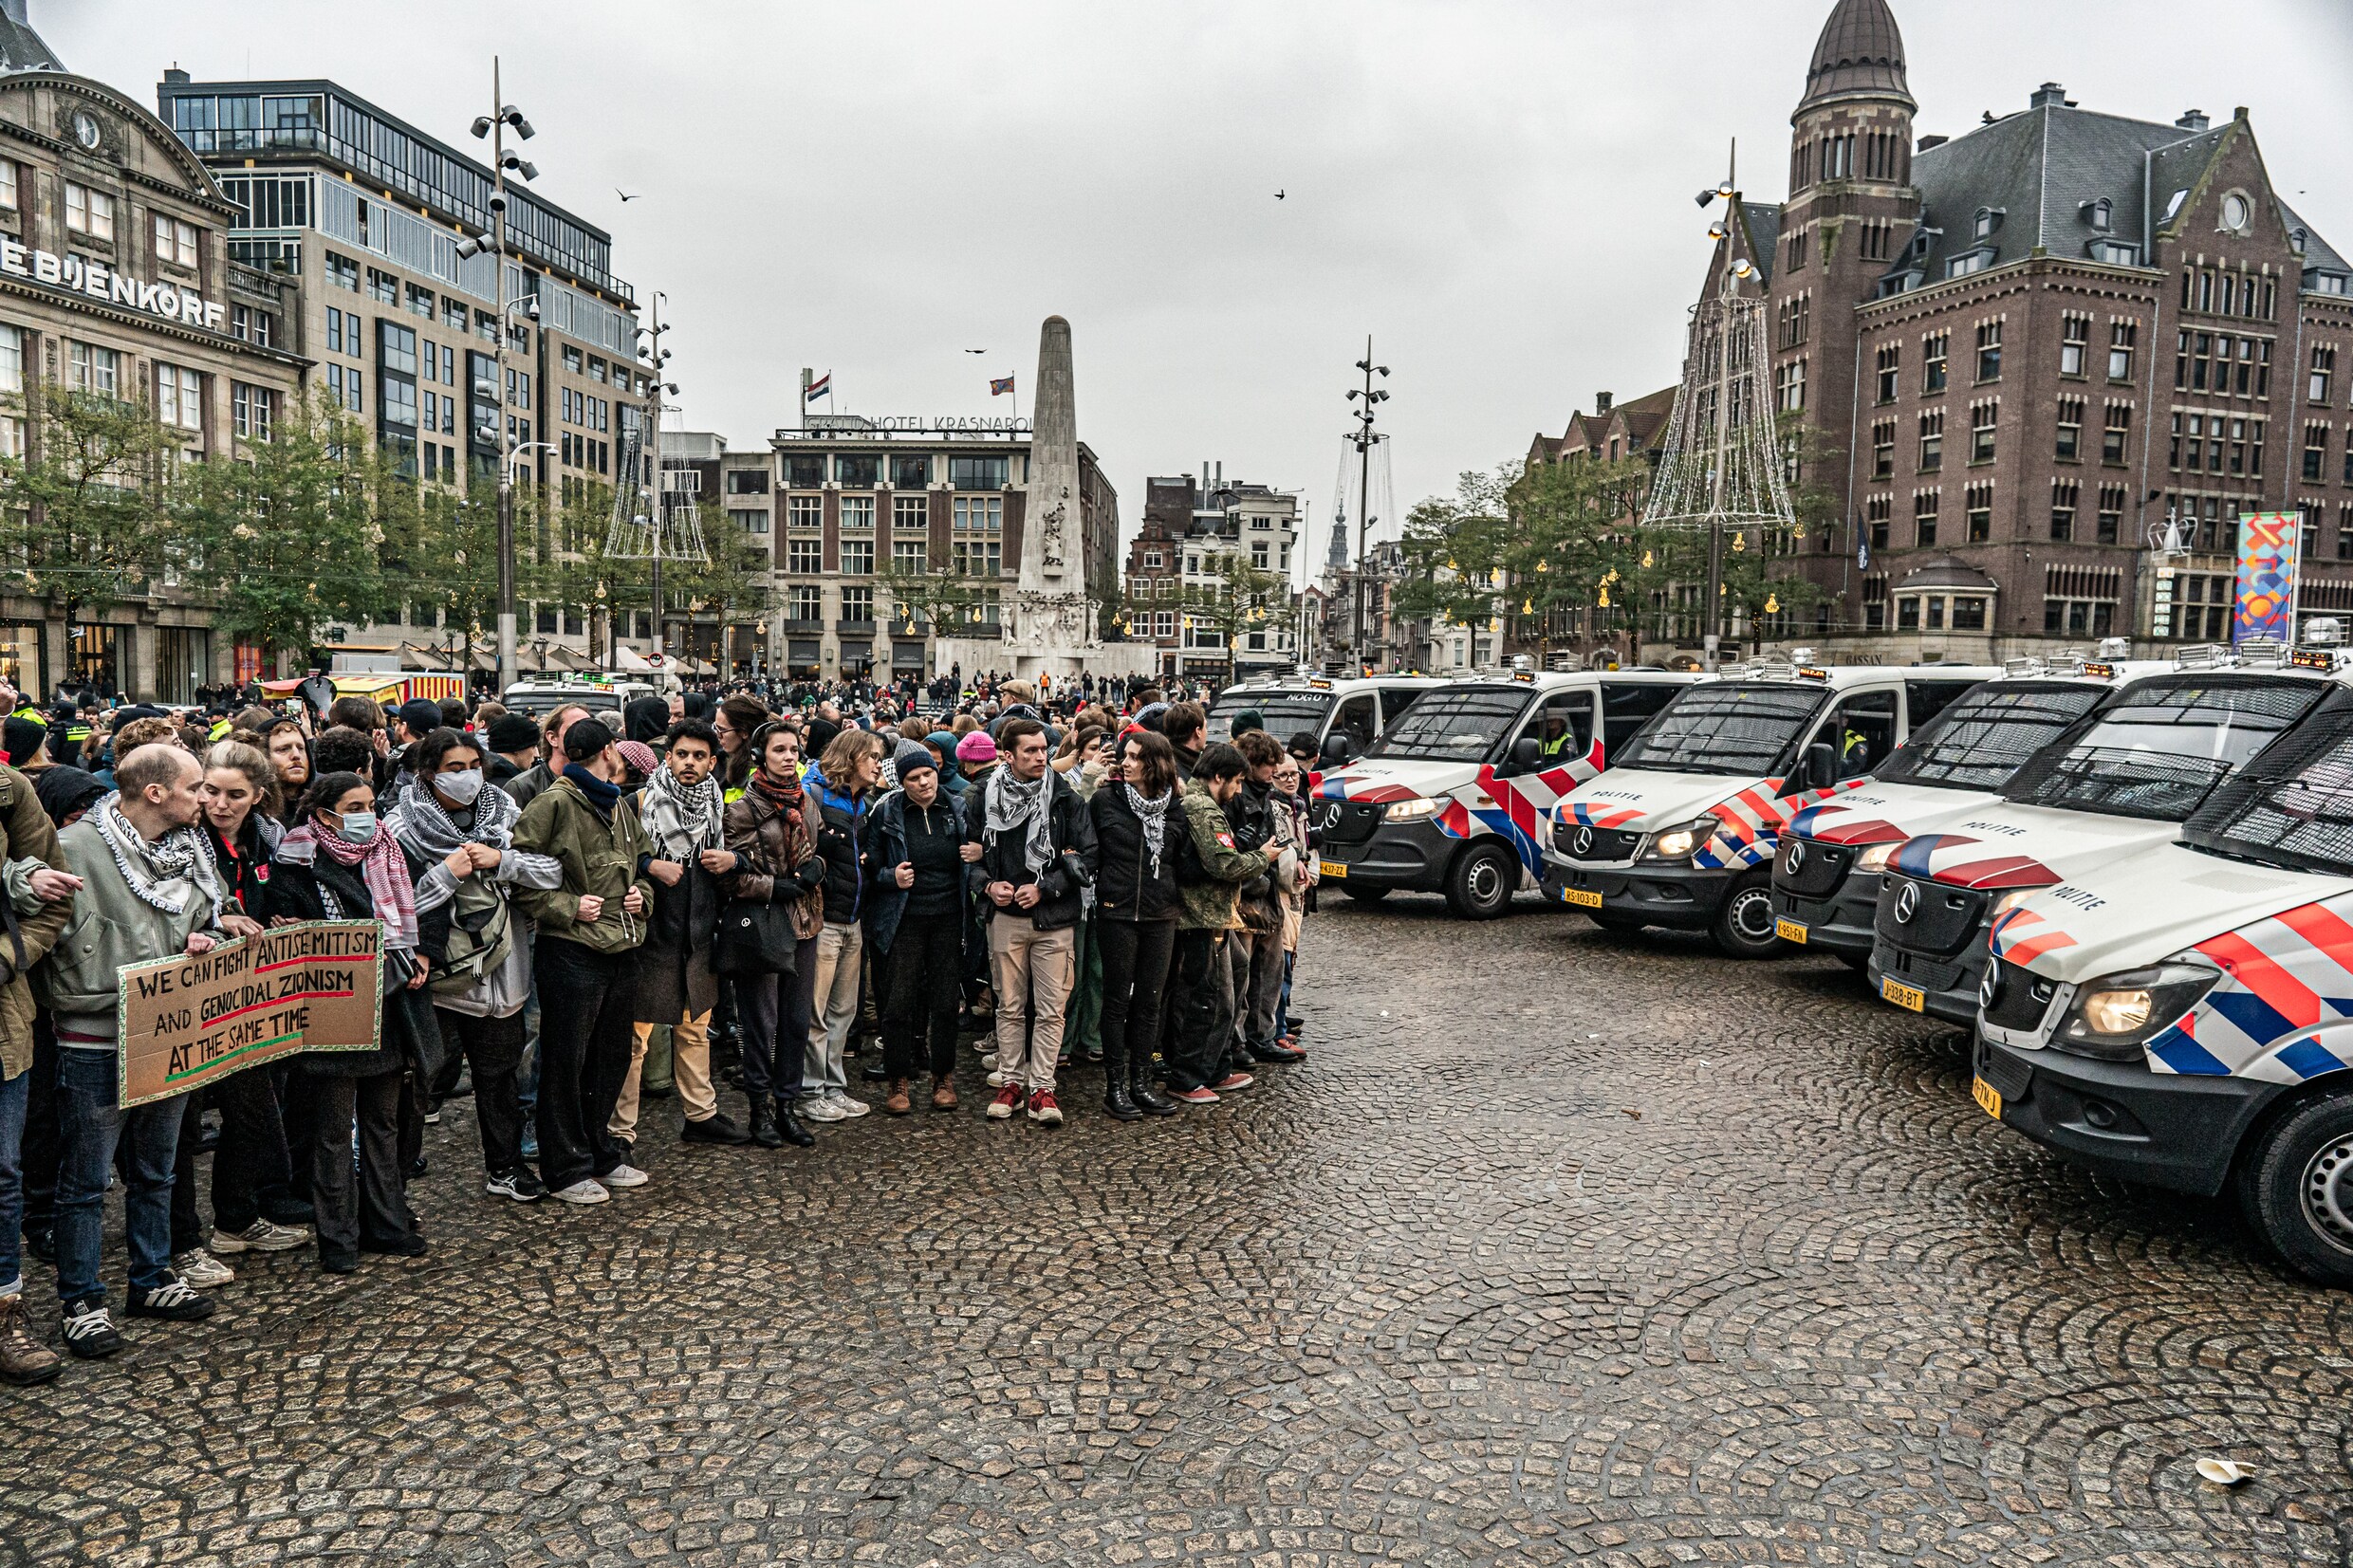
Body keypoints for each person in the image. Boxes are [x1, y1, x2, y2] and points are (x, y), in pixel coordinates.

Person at [46, 744, 226, 1356]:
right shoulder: (75, 852)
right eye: (195, 786)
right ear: (156, 793)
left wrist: (203, 938)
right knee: (87, 1179)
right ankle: (81, 1301)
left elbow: (201, 916)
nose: (205, 798)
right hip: (94, 1036)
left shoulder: (189, 853)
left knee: (157, 1169)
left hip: (167, 1031)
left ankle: (150, 1279)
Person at [269, 771, 435, 1272]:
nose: (369, 815)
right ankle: (338, 1237)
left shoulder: (388, 851)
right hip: (333, 1017)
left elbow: (413, 918)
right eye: (355, 806)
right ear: (324, 814)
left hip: (390, 1010)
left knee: (384, 1124)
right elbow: (286, 933)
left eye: (370, 804)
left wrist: (417, 951)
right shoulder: (296, 864)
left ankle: (388, 1224)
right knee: (334, 1132)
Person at [387, 728, 560, 1203]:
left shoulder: (505, 812)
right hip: (437, 978)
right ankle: (394, 1180)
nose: (467, 777)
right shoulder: (401, 826)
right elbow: (395, 903)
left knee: (500, 1076)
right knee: (418, 1080)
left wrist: (503, 860)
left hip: (502, 974)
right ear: (428, 772)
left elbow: (550, 870)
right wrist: (448, 873)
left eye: (473, 766)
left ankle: (504, 1167)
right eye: (454, 769)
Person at [509, 717, 654, 1204]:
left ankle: (601, 1153)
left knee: (611, 1056)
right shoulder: (551, 803)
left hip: (623, 946)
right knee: (566, 1060)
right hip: (572, 951)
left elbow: (643, 864)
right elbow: (520, 877)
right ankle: (566, 1167)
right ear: (610, 749)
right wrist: (568, 907)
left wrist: (641, 894)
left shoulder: (618, 804)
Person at [181, 742, 308, 1280]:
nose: (221, 804)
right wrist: (216, 924)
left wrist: (280, 919)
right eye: (211, 791)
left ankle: (236, 1220)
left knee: (254, 1112)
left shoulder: (268, 839)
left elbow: (276, 896)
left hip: (250, 1001)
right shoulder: (183, 839)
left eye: (236, 795)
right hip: (189, 1001)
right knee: (182, 1129)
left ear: (259, 796)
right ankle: (180, 1243)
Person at [965, 716, 1098, 1127]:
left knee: (1052, 1007)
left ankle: (1042, 1087)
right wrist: (988, 886)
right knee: (1009, 1005)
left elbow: (1089, 856)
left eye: (1044, 749)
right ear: (1008, 755)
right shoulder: (982, 798)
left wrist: (1047, 887)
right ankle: (1011, 1082)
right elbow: (968, 858)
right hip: (1004, 916)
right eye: (1031, 751)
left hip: (1053, 917)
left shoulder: (1064, 797)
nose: (1041, 756)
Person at [620, 718, 746, 1152]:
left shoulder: (717, 806)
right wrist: (648, 865)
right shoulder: (636, 803)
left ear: (713, 762)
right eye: (681, 754)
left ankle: (701, 1115)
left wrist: (732, 861)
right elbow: (612, 860)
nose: (688, 763)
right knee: (634, 1039)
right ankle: (620, 1131)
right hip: (649, 937)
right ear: (667, 756)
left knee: (695, 1029)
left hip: (698, 935)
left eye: (698, 756)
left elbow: (737, 861)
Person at [0, 746, 68, 1383]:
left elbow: (55, 898)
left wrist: (8, 956)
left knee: (2, 1173)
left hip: (2, 1026)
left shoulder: (10, 790)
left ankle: (6, 1312)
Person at [723, 720, 824, 1149]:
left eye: (793, 750)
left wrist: (816, 869)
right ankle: (759, 1111)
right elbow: (733, 873)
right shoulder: (742, 807)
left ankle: (787, 1106)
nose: (788, 757)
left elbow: (814, 851)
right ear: (760, 754)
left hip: (804, 921)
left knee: (796, 1022)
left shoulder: (806, 800)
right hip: (763, 925)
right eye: (779, 749)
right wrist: (773, 886)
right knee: (761, 1024)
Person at [1162, 743, 1272, 1107]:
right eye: (1237, 782)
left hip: (1215, 915)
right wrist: (1263, 856)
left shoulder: (1201, 804)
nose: (1239, 790)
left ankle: (1216, 1067)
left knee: (1234, 977)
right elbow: (1224, 865)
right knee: (1209, 998)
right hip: (1202, 917)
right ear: (1219, 776)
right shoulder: (1203, 809)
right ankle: (1188, 1076)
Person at [862, 741, 963, 1116]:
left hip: (948, 916)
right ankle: (898, 1079)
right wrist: (890, 876)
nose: (923, 783)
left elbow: (978, 850)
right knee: (898, 1001)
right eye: (913, 778)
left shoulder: (956, 806)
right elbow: (869, 861)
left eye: (927, 775)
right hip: (904, 918)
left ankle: (943, 1077)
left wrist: (977, 855)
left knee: (945, 1001)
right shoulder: (888, 811)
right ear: (901, 781)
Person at [1089, 730, 1183, 1122]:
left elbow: (1185, 861)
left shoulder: (1175, 807)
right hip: (1117, 911)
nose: (1124, 762)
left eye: (1133, 757)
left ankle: (1141, 1083)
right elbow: (1091, 851)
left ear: (1155, 764)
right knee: (1116, 1001)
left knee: (1149, 1001)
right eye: (1124, 755)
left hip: (1161, 914)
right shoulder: (1105, 800)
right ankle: (1115, 1087)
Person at [798, 728, 881, 1121]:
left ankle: (834, 1085)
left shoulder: (861, 802)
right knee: (816, 1010)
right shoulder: (814, 795)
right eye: (873, 757)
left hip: (853, 917)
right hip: (825, 918)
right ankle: (810, 1090)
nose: (878, 765)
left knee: (843, 1010)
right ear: (851, 760)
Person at [1232, 730, 1304, 1067]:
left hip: (1268, 894)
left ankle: (1262, 1035)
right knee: (1242, 976)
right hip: (1247, 896)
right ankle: (1238, 1042)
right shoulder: (1239, 797)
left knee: (1269, 973)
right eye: (1269, 765)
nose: (1275, 771)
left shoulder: (1265, 796)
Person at [503, 703, 589, 808]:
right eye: (575, 728)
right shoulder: (523, 787)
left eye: (589, 729)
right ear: (552, 738)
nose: (584, 735)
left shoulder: (597, 783)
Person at [482, 714, 540, 788]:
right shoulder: (516, 787)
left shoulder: (481, 778)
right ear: (518, 747)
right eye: (533, 747)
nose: (536, 754)